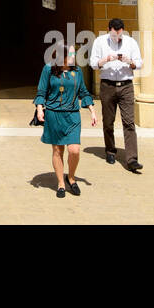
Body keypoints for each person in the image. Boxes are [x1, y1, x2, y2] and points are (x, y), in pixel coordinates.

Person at [35, 40, 97, 198]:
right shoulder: (48, 69)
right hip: (54, 115)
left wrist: (92, 111)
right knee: (57, 150)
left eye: (73, 54)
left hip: (72, 115)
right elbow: (41, 92)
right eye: (69, 54)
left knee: (74, 150)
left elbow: (83, 92)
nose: (73, 56)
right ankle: (61, 183)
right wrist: (39, 109)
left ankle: (71, 177)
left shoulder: (77, 72)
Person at [90, 18, 143, 172]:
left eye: (119, 35)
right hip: (107, 84)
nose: (117, 38)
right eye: (114, 35)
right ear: (109, 30)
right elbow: (93, 63)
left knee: (129, 122)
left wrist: (130, 62)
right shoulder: (100, 42)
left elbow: (139, 63)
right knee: (108, 121)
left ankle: (132, 159)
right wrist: (105, 60)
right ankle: (110, 150)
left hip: (126, 85)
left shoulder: (131, 42)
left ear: (122, 31)